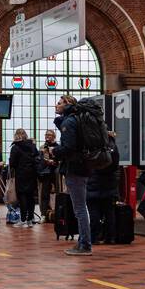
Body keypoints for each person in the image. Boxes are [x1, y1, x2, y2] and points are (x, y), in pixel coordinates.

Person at [54, 94, 98, 257]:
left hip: (75, 168)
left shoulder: (70, 122)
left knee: (79, 208)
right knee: (81, 207)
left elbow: (69, 148)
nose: (56, 105)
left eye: (59, 103)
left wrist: (55, 151)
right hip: (82, 167)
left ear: (67, 105)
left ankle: (85, 244)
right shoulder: (76, 120)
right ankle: (84, 242)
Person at [87, 131, 122, 243]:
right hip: (109, 185)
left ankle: (94, 237)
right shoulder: (114, 149)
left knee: (94, 213)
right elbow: (115, 167)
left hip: (93, 183)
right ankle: (110, 237)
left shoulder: (93, 146)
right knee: (109, 213)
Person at [8, 129, 39, 227]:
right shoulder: (32, 146)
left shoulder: (16, 147)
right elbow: (37, 158)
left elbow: (12, 163)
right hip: (32, 173)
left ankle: (22, 220)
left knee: (22, 196)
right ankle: (30, 220)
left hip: (21, 173)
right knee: (31, 196)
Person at [37, 129, 60, 221]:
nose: (47, 136)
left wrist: (54, 161)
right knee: (44, 194)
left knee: (58, 193)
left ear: (54, 137)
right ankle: (43, 214)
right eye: (46, 135)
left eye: (49, 135)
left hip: (56, 173)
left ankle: (58, 213)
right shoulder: (42, 147)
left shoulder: (58, 147)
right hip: (45, 173)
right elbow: (39, 160)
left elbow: (61, 159)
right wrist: (45, 160)